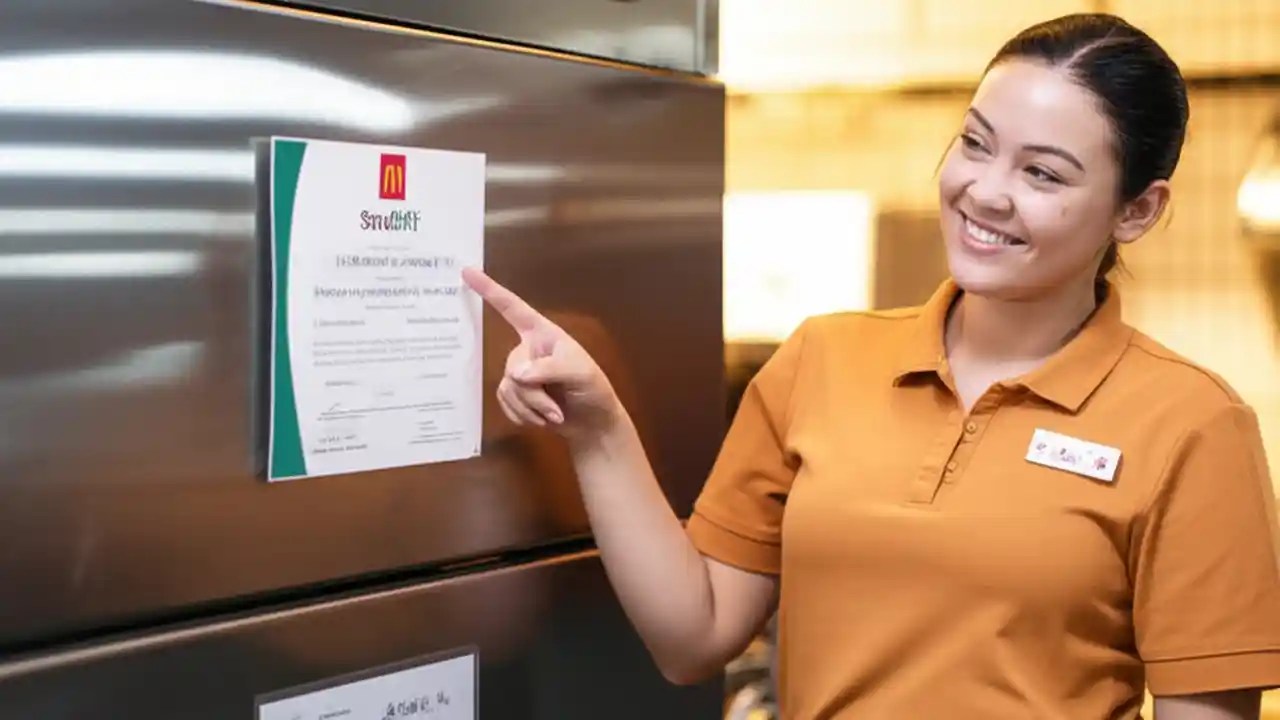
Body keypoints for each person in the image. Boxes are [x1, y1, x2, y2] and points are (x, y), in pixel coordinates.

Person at [462, 12, 1280, 720]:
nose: (985, 192)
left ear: (1138, 210)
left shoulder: (1193, 427)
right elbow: (693, 634)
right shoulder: (822, 357)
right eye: (975, 143)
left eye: (1042, 173)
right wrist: (598, 423)